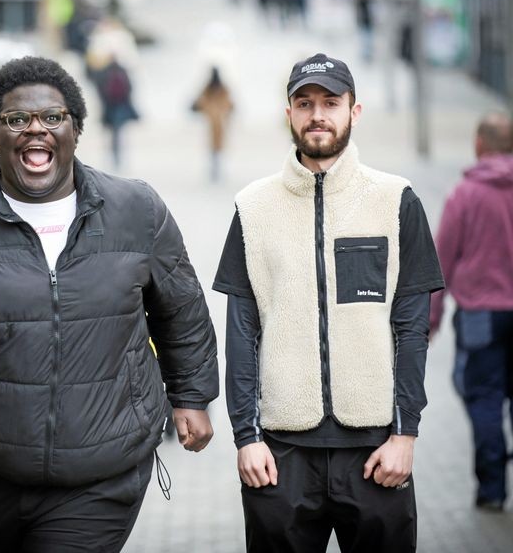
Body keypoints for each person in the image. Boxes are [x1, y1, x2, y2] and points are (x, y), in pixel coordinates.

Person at [0, 56, 218, 552]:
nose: (36, 129)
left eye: (53, 117)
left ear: (75, 129)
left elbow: (181, 312)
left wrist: (192, 397)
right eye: (17, 119)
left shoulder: (136, 211)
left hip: (101, 472)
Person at [212, 52, 444, 552]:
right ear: (289, 114)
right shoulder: (252, 208)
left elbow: (411, 329)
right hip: (281, 455)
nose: (317, 115)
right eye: (305, 103)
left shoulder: (396, 200)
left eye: (330, 102)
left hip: (376, 450)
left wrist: (405, 435)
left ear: (354, 111)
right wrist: (246, 438)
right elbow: (241, 335)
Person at [429, 111, 513, 512]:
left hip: (480, 315)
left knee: (484, 399)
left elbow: (440, 263)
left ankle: (492, 490)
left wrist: (430, 319)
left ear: (479, 144)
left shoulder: (464, 194)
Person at [95, 57, 139, 169]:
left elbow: (99, 88)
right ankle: (119, 157)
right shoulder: (122, 71)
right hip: (120, 106)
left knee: (112, 133)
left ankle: (114, 156)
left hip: (110, 107)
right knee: (119, 132)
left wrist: (104, 101)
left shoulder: (104, 72)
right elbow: (130, 88)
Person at [192, 66, 234, 182]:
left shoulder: (211, 88)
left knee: (215, 148)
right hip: (217, 122)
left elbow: (200, 102)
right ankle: (215, 170)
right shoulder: (219, 89)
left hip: (216, 123)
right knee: (216, 148)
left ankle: (215, 170)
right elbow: (229, 104)